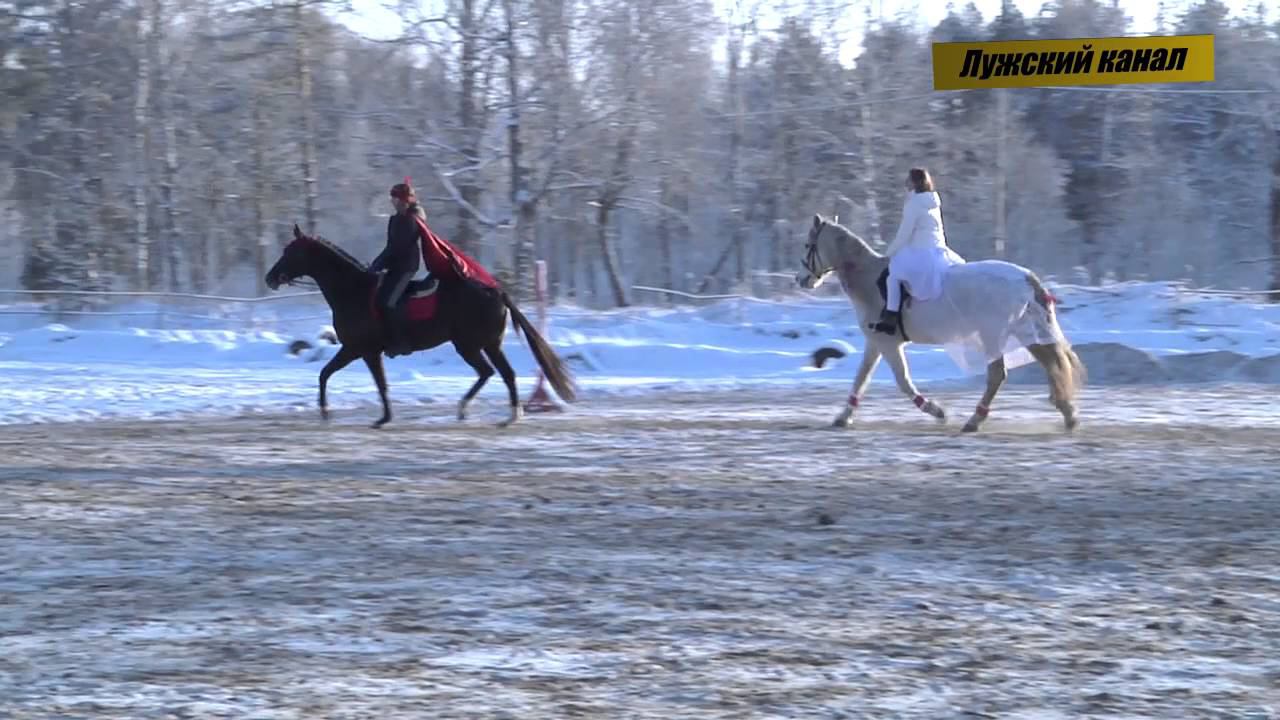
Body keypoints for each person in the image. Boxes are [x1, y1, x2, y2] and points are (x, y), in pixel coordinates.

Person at [370, 179, 503, 357]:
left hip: (405, 267)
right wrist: (376, 264)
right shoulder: (397, 218)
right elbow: (390, 246)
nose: (392, 201)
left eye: (395, 198)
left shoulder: (410, 220)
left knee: (387, 302)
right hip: (395, 266)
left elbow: (398, 247)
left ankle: (400, 342)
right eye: (392, 198)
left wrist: (378, 265)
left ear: (403, 200)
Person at [869, 167, 966, 335]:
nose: (905, 182)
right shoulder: (933, 201)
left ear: (914, 182)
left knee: (891, 278)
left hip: (921, 253)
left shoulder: (914, 204)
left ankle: (891, 319)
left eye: (908, 179)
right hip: (939, 251)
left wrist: (888, 253)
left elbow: (904, 234)